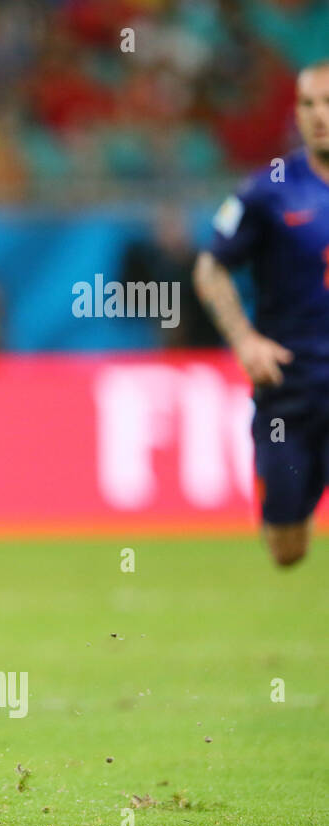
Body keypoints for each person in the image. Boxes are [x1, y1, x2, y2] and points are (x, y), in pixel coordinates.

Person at [193, 59, 329, 568]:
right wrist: (245, 340)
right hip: (288, 390)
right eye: (308, 104)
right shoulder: (269, 188)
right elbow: (211, 268)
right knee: (285, 548)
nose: (319, 115)